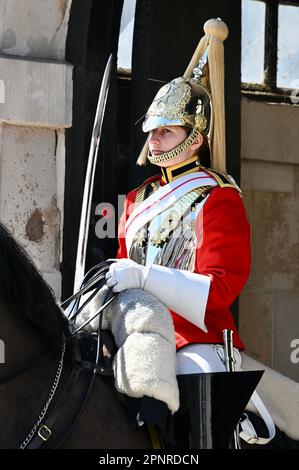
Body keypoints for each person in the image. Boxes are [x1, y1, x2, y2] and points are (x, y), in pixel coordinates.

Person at [105, 18, 275, 447]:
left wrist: (144, 277)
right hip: (136, 328)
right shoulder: (138, 199)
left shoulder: (217, 198)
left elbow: (220, 289)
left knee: (200, 395)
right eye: (154, 130)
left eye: (168, 130)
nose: (156, 139)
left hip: (196, 340)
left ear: (195, 138)